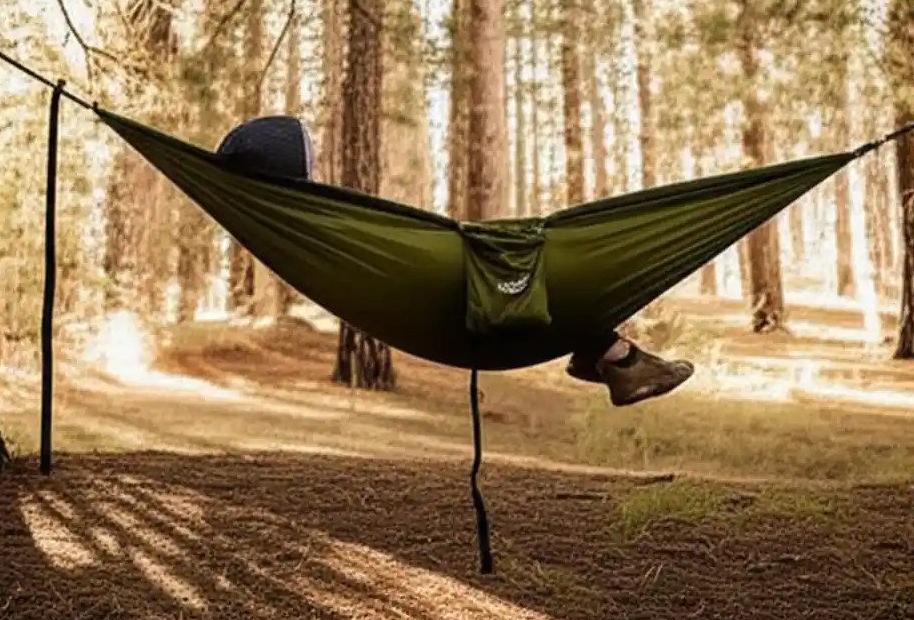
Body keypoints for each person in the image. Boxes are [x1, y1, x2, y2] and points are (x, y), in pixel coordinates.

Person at [216, 117, 695, 407]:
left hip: (427, 293)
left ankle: (608, 355)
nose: (319, 169)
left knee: (535, 269)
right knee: (532, 263)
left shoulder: (301, 221)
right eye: (310, 160)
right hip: (441, 290)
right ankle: (613, 356)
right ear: (286, 167)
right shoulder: (316, 220)